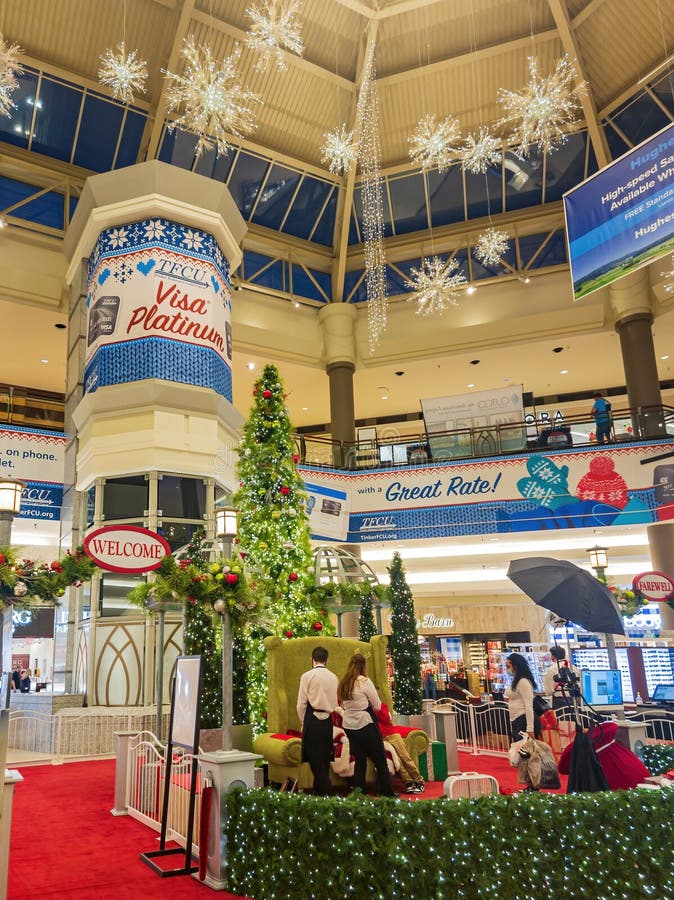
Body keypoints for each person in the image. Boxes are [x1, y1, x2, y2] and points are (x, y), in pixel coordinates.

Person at [338, 652, 396, 797]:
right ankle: (385, 792)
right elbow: (377, 705)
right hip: (365, 723)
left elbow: (342, 704)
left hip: (349, 724)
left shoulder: (344, 681)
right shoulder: (364, 681)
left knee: (359, 760)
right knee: (380, 759)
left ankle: (359, 792)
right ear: (363, 666)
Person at [296, 645, 339, 795]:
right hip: (327, 722)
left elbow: (301, 705)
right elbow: (334, 704)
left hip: (312, 721)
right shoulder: (334, 677)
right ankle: (318, 795)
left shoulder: (307, 676)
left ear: (312, 659)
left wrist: (304, 722)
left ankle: (330, 796)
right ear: (326, 660)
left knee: (315, 762)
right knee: (324, 760)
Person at [375, 703, 425, 793]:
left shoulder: (382, 706)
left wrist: (377, 709)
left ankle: (419, 781)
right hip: (380, 739)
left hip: (392, 735)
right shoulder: (365, 708)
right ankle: (408, 782)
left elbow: (386, 718)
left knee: (405, 757)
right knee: (397, 760)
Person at [505, 653, 541, 742]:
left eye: (508, 666)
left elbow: (528, 706)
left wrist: (530, 728)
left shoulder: (523, 682)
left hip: (523, 720)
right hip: (517, 720)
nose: (507, 669)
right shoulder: (516, 681)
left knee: (525, 752)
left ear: (515, 666)